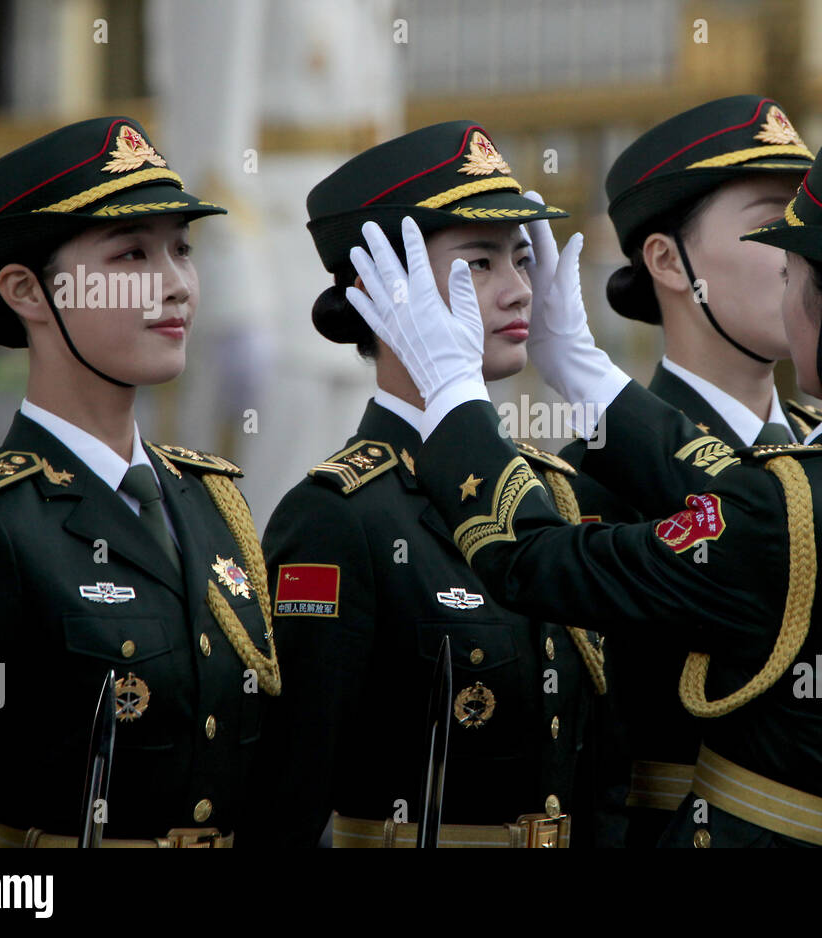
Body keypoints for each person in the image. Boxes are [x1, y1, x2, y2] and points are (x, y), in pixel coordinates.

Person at [345, 135, 822, 847]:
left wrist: (453, 395)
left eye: (792, 275)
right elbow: (738, 489)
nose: (783, 293)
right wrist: (582, 373)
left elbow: (532, 557)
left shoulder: (787, 506)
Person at [0, 117, 277, 848]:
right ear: (27, 291)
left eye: (182, 250)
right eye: (132, 254)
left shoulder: (212, 501)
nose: (175, 287)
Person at [250, 121, 606, 848]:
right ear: (384, 290)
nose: (516, 291)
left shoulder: (554, 494)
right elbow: (289, 797)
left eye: (520, 259)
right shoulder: (338, 518)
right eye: (479, 262)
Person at [561, 95, 821, 845]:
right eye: (773, 217)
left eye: (809, 217)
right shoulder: (595, 479)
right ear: (669, 260)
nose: (802, 247)